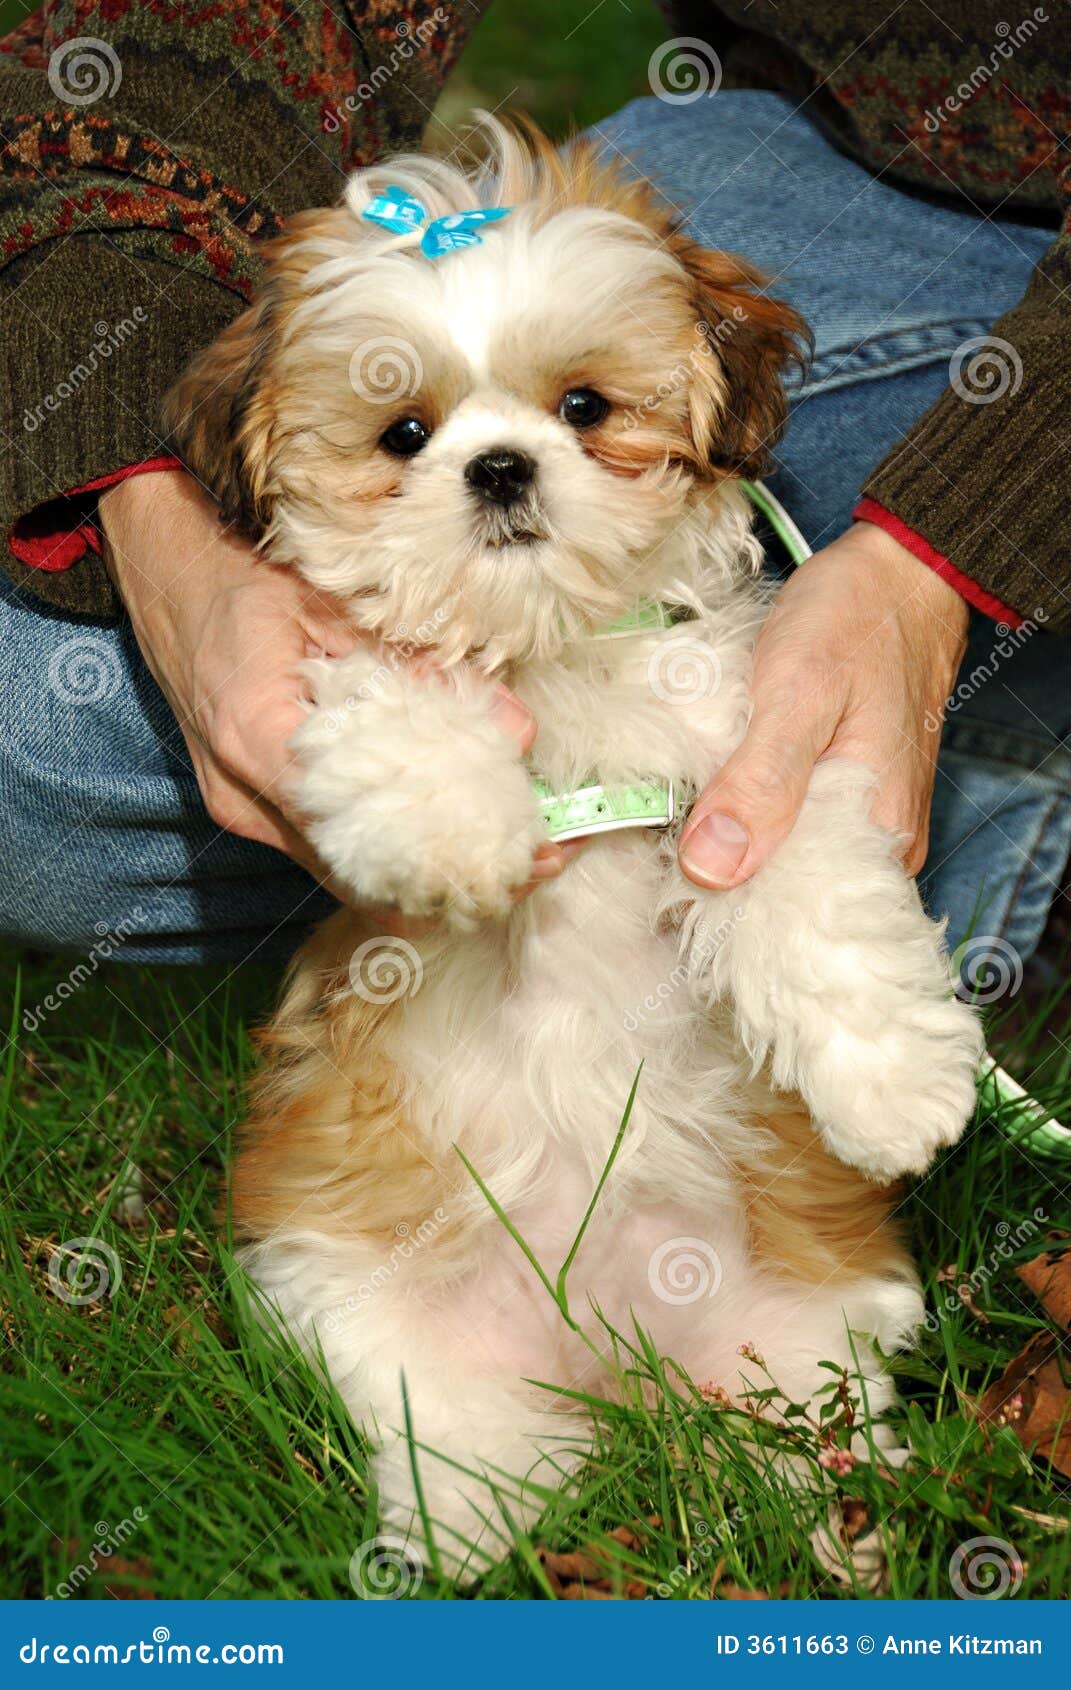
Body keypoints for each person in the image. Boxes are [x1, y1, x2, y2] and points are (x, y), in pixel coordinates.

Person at [2, 0, 1068, 976]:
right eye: (408, 435)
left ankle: (964, 745)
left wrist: (947, 550)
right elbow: (136, 53)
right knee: (31, 742)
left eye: (581, 410)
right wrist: (156, 516)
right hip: (839, 133)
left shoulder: (707, 357)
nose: (499, 465)